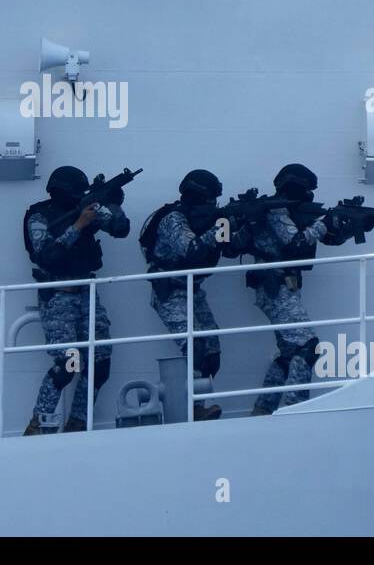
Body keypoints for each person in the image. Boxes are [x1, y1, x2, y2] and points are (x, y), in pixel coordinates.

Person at [22, 166, 130, 434]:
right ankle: (39, 424)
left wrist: (113, 203)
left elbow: (120, 229)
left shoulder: (88, 208)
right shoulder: (39, 215)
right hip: (59, 296)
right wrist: (79, 225)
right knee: (67, 365)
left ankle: (79, 423)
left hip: (87, 293)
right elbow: (46, 255)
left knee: (100, 364)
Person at [139, 169, 239, 420]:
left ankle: (198, 406)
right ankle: (189, 409)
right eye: (210, 200)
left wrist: (238, 226)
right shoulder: (173, 218)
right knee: (194, 347)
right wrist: (219, 226)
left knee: (212, 352)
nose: (213, 205)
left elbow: (229, 250)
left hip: (193, 290)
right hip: (170, 291)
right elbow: (191, 250)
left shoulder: (202, 219)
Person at [245, 164, 340, 415]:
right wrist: (324, 223)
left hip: (283, 288)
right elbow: (295, 242)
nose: (309, 196)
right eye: (307, 191)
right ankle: (295, 409)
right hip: (274, 287)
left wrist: (347, 225)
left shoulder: (287, 210)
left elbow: (326, 236)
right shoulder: (276, 209)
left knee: (289, 354)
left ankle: (263, 409)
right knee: (308, 346)